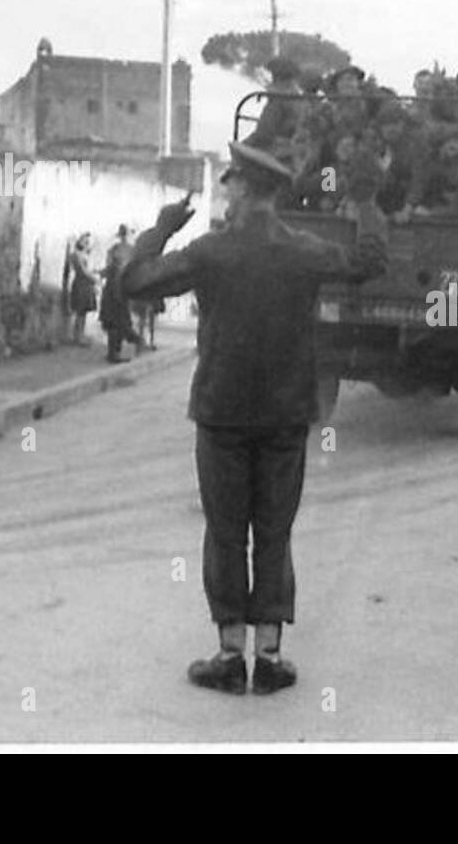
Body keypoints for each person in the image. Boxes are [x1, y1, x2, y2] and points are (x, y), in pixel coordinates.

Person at [122, 141, 388, 695]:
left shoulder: (210, 251)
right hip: (286, 413)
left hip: (222, 413)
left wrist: (162, 227)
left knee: (225, 533)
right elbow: (368, 262)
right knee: (274, 530)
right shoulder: (304, 251)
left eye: (232, 183)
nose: (227, 192)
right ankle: (269, 656)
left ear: (244, 189)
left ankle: (228, 653)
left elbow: (135, 281)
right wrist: (365, 204)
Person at [243, 56, 304, 169]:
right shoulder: (303, 101)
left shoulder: (278, 101)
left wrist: (245, 144)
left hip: (280, 154)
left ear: (277, 79)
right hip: (299, 153)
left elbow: (264, 134)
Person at [99, 224, 144, 363]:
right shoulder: (117, 250)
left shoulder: (128, 251)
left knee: (118, 324)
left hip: (119, 292)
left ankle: (122, 348)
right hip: (114, 292)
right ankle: (114, 352)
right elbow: (108, 269)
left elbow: (133, 269)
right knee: (115, 324)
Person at [67, 233, 97, 345]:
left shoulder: (84, 255)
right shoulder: (76, 255)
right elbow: (82, 270)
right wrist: (94, 278)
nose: (87, 244)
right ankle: (77, 337)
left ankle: (81, 335)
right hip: (81, 284)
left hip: (86, 285)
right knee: (80, 311)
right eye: (85, 241)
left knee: (84, 311)